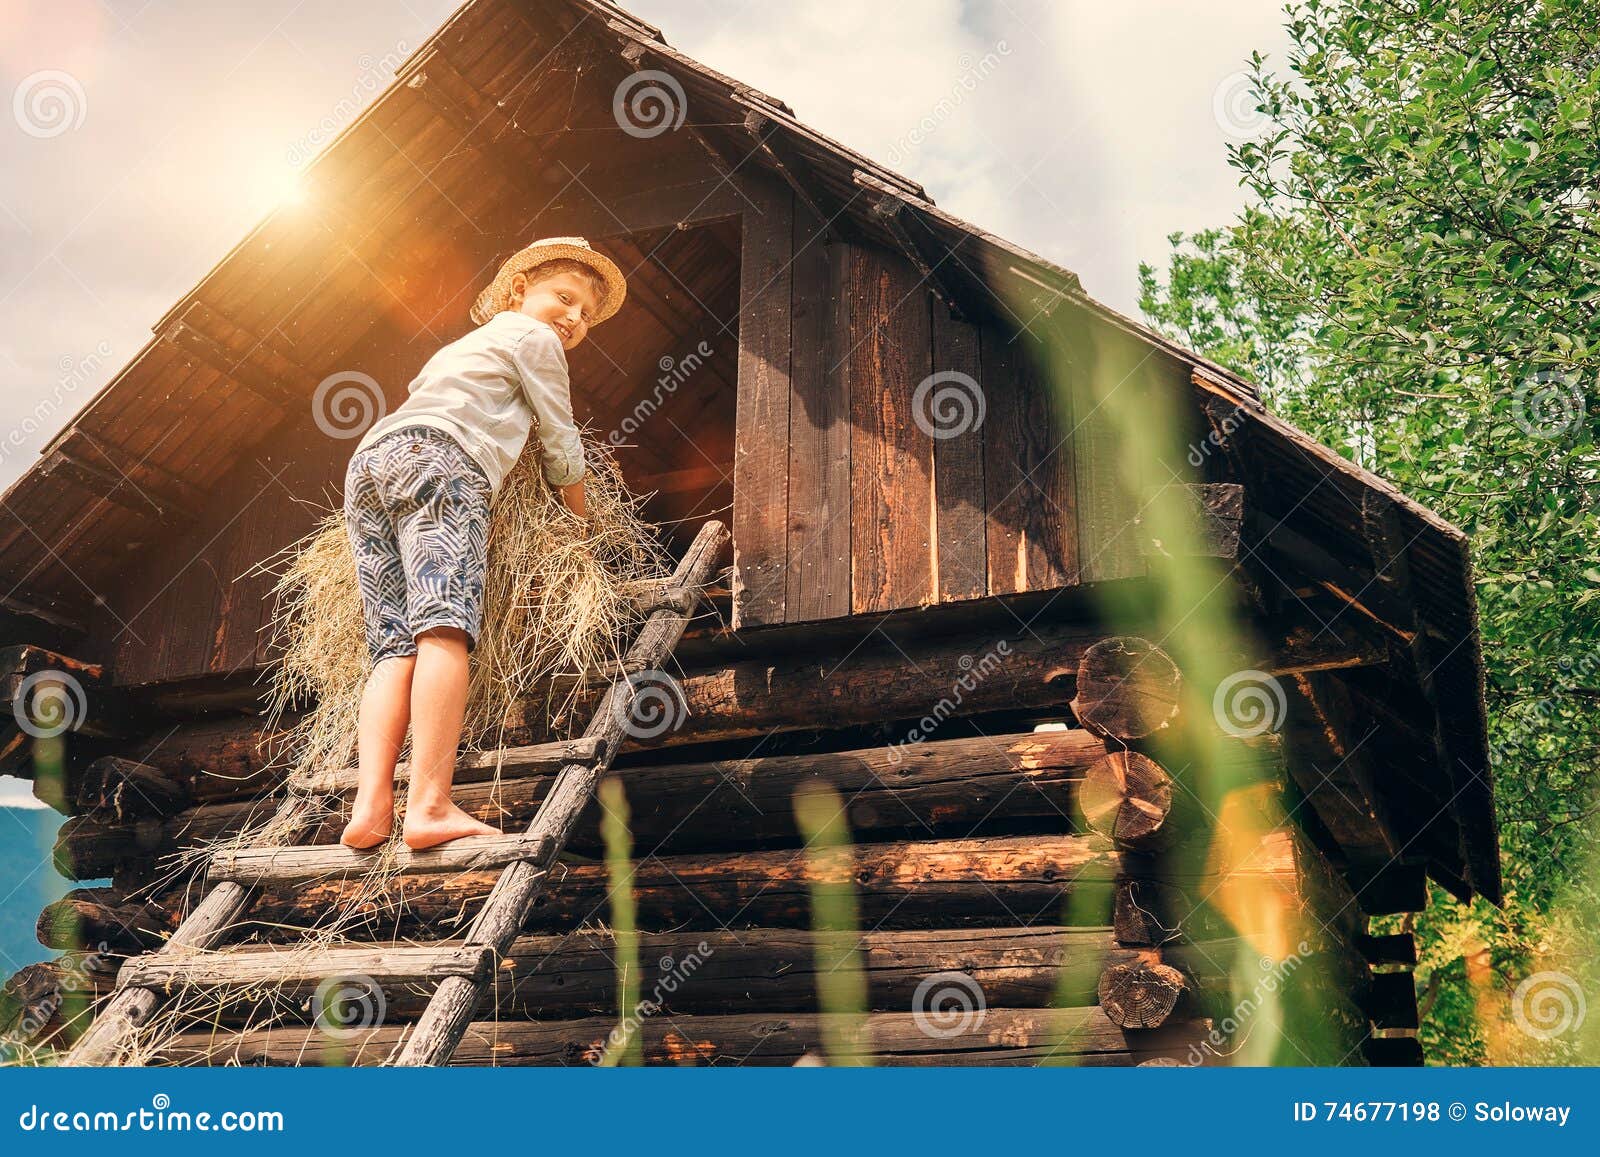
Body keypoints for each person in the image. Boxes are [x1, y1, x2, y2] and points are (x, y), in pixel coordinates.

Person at [337, 236, 627, 850]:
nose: (573, 319)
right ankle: (430, 806)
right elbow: (560, 440)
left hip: (370, 464)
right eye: (565, 298)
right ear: (520, 288)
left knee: (391, 647)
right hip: (442, 462)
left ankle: (370, 808)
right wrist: (579, 525)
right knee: (443, 627)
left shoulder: (460, 348)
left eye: (586, 316)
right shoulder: (534, 339)